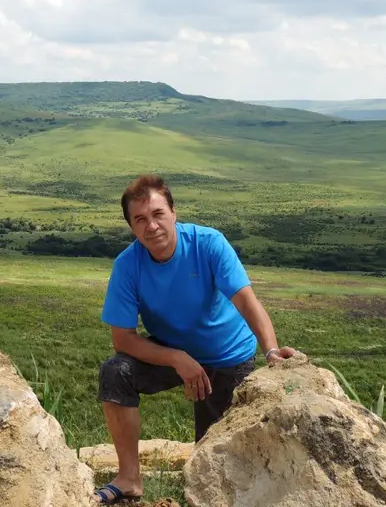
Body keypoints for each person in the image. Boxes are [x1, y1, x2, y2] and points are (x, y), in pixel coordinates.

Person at [93, 174, 298, 505]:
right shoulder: (128, 265)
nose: (151, 226)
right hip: (173, 351)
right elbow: (123, 340)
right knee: (116, 372)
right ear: (131, 227)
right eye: (140, 219)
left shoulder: (208, 244)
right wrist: (177, 358)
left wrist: (271, 351)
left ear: (174, 213)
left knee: (213, 466)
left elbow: (247, 302)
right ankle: (129, 478)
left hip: (228, 356)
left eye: (158, 214)